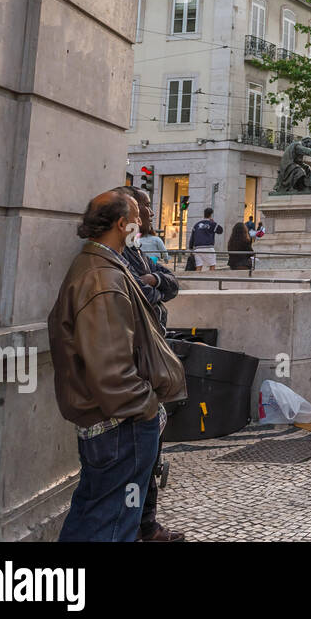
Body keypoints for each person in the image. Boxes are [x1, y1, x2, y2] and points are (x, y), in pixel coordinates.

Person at [48, 191, 186, 541]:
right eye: (136, 218)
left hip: (111, 421)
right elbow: (111, 367)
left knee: (94, 511)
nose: (141, 224)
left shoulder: (105, 266)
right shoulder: (101, 278)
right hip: (120, 424)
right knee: (114, 522)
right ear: (122, 225)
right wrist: (146, 408)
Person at [115, 187, 185, 543]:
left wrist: (155, 279)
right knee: (139, 453)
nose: (146, 217)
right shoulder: (116, 257)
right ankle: (138, 526)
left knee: (153, 450)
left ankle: (147, 523)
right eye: (141, 211)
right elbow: (138, 296)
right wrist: (154, 288)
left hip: (153, 357)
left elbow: (171, 283)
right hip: (137, 360)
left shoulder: (139, 252)